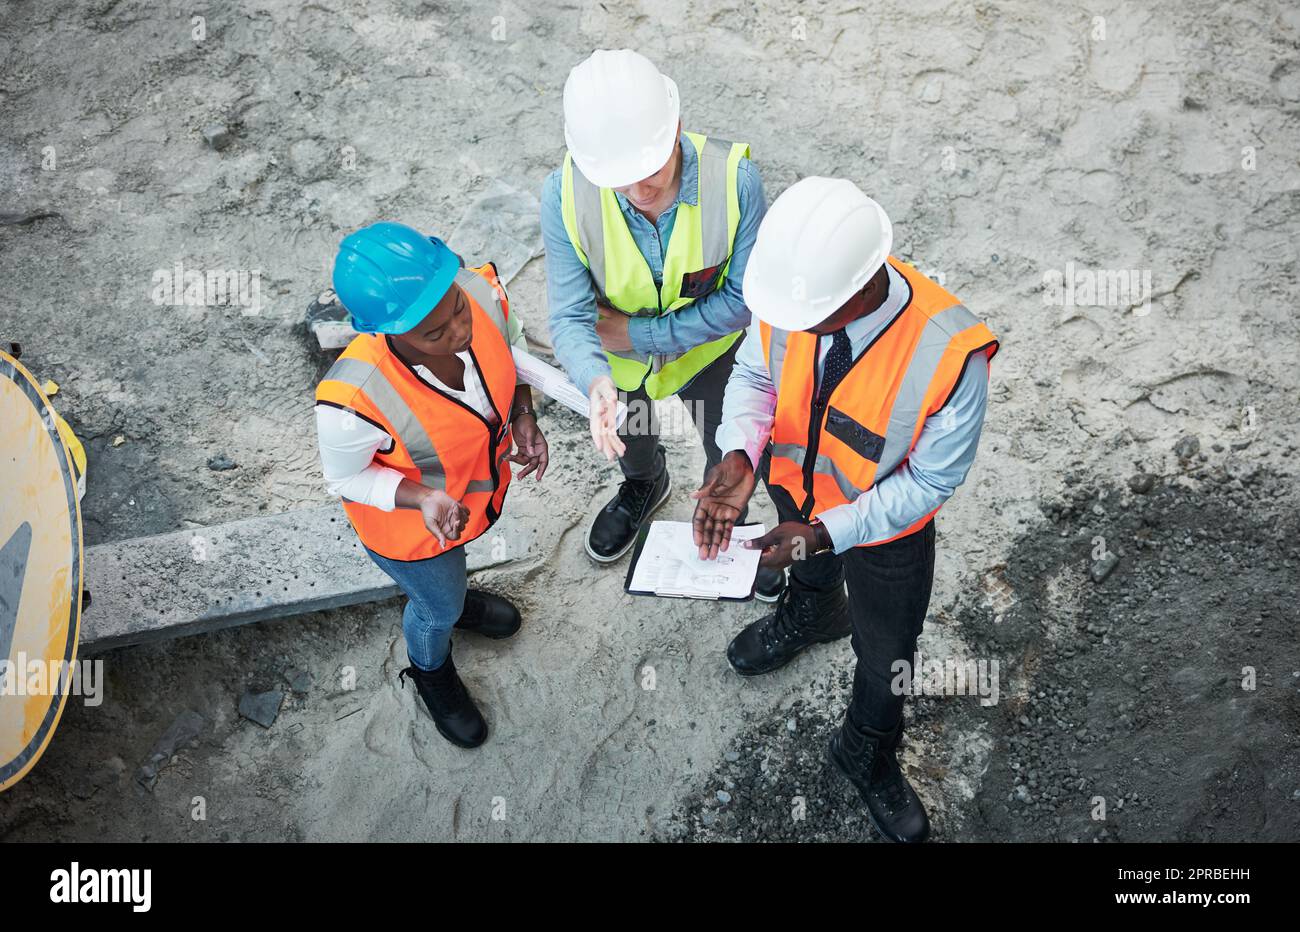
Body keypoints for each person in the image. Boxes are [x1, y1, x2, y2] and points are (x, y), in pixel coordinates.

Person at [692, 178, 999, 841]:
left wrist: (828, 531)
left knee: (888, 649)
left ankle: (867, 746)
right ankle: (813, 609)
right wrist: (740, 453)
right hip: (794, 485)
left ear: (857, 291)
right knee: (802, 558)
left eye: (806, 320)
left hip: (888, 533)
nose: (786, 328)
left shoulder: (950, 355)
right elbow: (753, 375)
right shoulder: (793, 294)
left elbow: (929, 481)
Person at [541, 48, 784, 600]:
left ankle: (727, 508)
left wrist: (638, 335)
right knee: (632, 434)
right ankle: (645, 484)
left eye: (647, 172)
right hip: (619, 365)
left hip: (713, 352)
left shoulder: (736, 181)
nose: (637, 192)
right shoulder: (563, 195)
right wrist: (594, 381)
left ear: (675, 127)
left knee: (732, 444)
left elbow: (747, 301)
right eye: (617, 181)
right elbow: (570, 314)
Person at [314, 222, 548, 749]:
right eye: (435, 333)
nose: (460, 330)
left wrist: (525, 414)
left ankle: (456, 602)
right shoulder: (352, 398)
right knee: (434, 606)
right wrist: (421, 498)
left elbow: (512, 351)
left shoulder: (480, 294)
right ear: (385, 331)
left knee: (451, 582)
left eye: (457, 310)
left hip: (463, 503)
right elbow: (345, 477)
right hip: (409, 531)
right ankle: (431, 669)